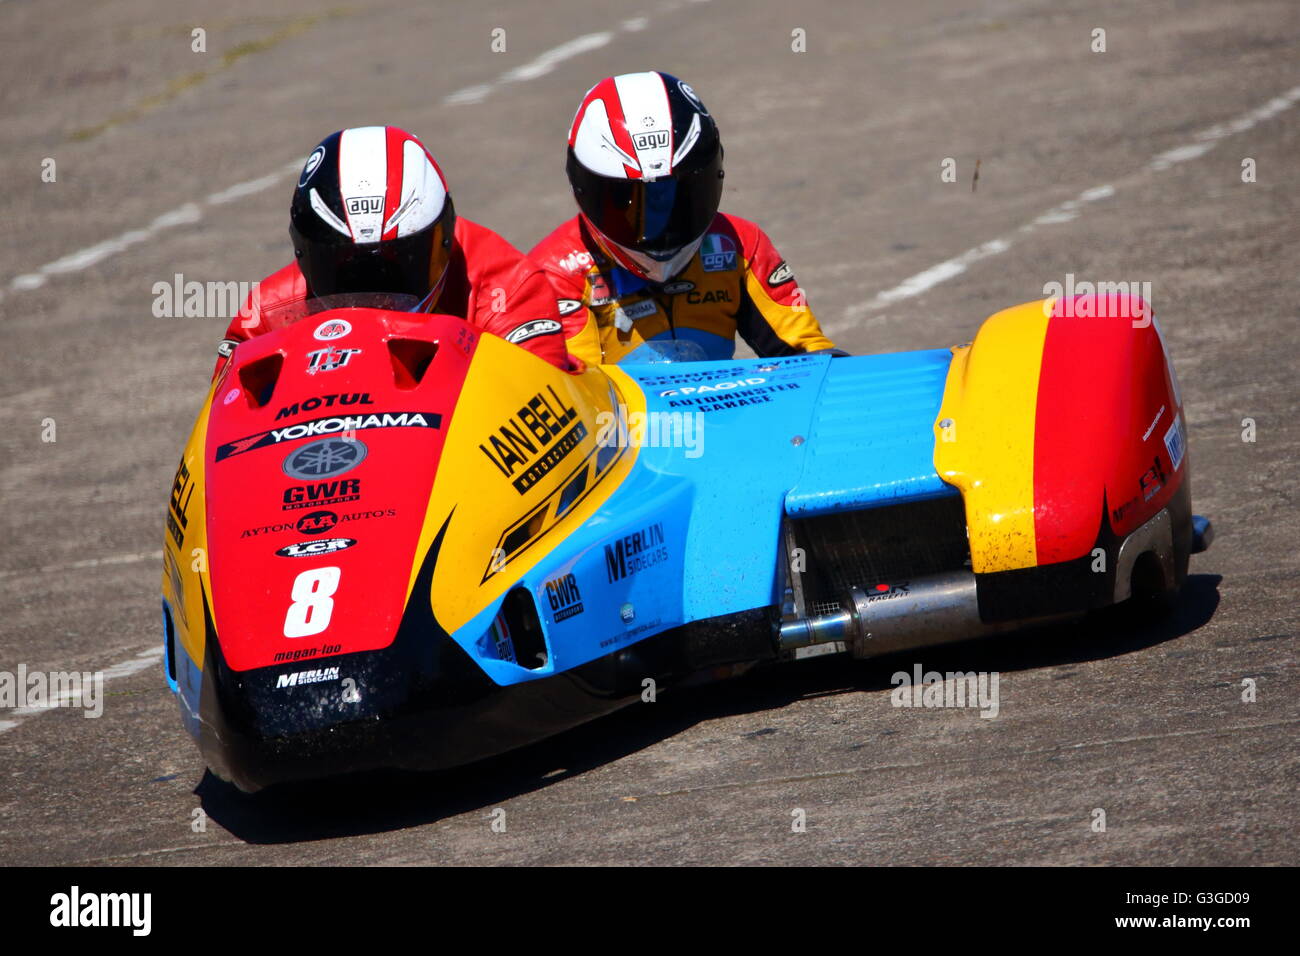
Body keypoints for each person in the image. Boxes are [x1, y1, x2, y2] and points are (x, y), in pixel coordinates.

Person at [530, 71, 839, 366]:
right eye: (628, 201)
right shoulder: (554, 275)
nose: (657, 217)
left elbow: (808, 358)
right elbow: (570, 392)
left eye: (675, 194)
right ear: (584, 185)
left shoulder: (739, 245)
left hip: (727, 413)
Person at [213, 125, 567, 375]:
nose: (373, 293)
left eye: (395, 264)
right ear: (305, 253)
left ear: (442, 238)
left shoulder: (509, 289)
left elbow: (543, 408)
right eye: (346, 269)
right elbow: (224, 427)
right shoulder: (266, 315)